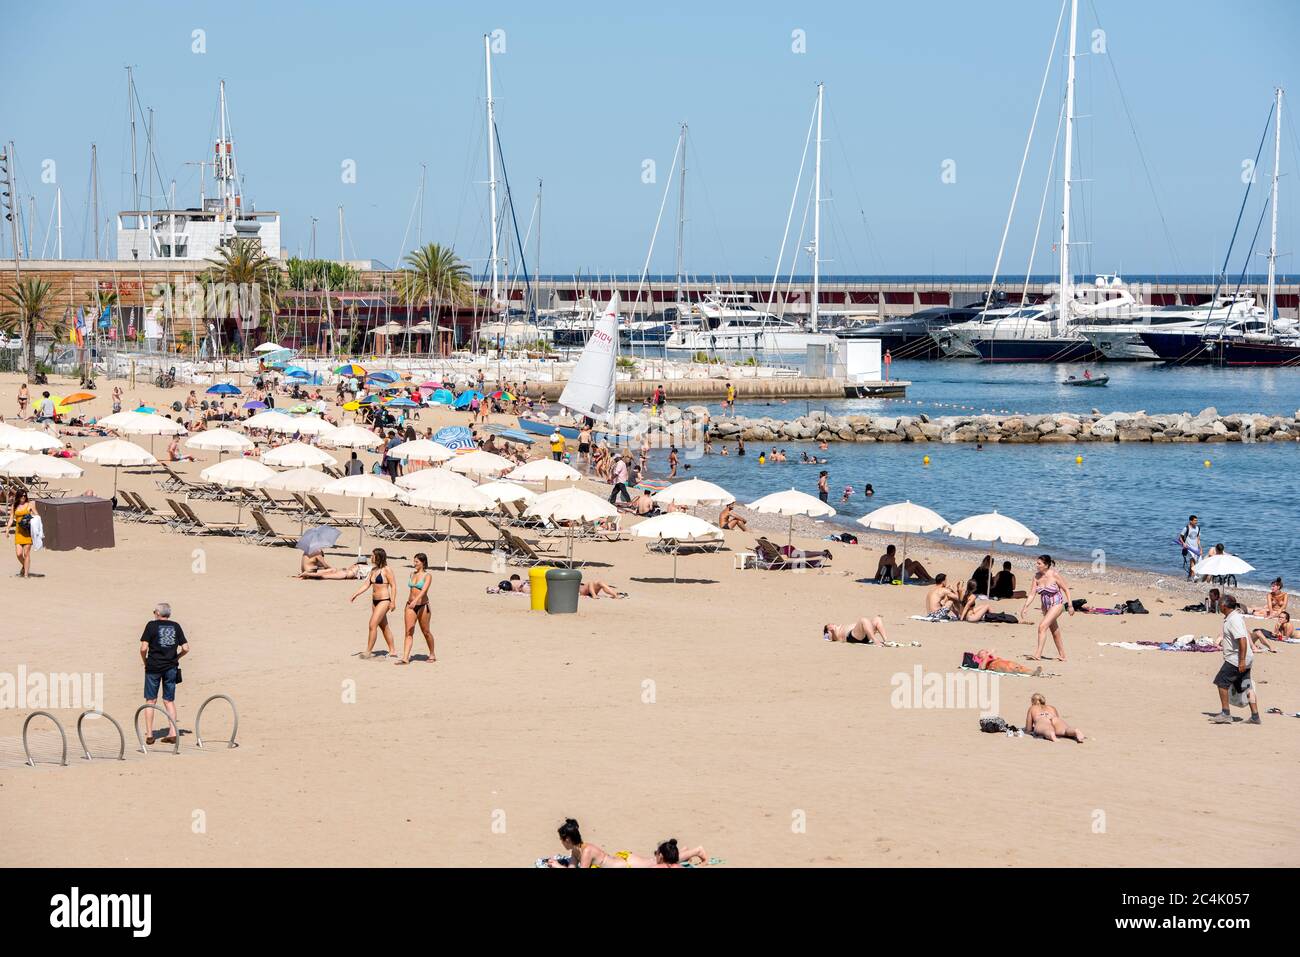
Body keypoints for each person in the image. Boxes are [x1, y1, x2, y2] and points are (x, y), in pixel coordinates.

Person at [139, 602, 190, 746]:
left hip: (153, 667)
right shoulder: (176, 626)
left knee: (150, 700)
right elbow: (186, 648)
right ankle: (173, 732)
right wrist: (177, 657)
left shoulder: (151, 625)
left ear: (157, 613)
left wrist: (145, 661)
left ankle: (150, 735)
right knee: (169, 700)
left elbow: (143, 648)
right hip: (170, 668)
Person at [1211, 594, 1261, 724]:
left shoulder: (1234, 619)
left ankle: (1225, 713)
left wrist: (1242, 661)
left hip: (1236, 658)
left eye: (1220, 604)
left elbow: (1242, 640)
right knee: (1246, 686)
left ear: (1224, 606)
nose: (1218, 606)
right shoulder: (1232, 617)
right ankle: (1255, 716)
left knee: (1221, 682)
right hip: (1243, 657)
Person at [1020, 554, 1073, 661]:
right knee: (1054, 631)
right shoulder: (1036, 577)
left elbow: (1066, 589)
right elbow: (1032, 594)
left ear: (1046, 565)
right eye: (1037, 563)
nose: (1037, 565)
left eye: (1039, 563)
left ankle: (1037, 654)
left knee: (1042, 627)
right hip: (1045, 607)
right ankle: (1062, 655)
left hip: (1057, 604)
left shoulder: (1054, 575)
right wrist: (1025, 607)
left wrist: (1070, 605)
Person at [349, 547, 397, 658]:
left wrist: (393, 601)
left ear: (378, 557)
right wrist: (355, 594)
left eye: (372, 555)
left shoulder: (387, 570)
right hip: (374, 601)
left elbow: (393, 586)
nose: (371, 557)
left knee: (372, 624)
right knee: (383, 626)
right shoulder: (373, 570)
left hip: (384, 600)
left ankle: (368, 651)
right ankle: (393, 650)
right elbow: (366, 585)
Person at [398, 553, 435, 665]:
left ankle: (432, 653)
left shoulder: (427, 576)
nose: (414, 564)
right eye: (414, 561)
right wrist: (412, 601)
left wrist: (416, 600)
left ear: (423, 563)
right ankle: (405, 657)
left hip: (423, 605)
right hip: (410, 605)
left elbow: (424, 590)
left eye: (416, 562)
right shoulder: (411, 574)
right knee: (409, 631)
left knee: (426, 631)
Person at [5, 489, 35, 577]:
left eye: (25, 496)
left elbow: (37, 516)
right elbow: (11, 518)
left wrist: (31, 518)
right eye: (22, 496)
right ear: (18, 496)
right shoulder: (15, 506)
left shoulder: (30, 505)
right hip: (18, 533)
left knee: (26, 553)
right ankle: (24, 565)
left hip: (28, 532)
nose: (24, 497)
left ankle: (26, 574)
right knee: (18, 554)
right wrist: (7, 529)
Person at [970, 648, 1041, 676]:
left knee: (1019, 667)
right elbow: (982, 668)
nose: (985, 653)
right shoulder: (982, 661)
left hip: (1002, 661)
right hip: (995, 665)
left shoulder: (991, 657)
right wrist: (986, 656)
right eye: (982, 653)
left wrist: (992, 653)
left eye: (986, 651)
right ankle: (1015, 672)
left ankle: (1034, 672)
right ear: (979, 656)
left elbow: (995, 658)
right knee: (1009, 668)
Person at [824, 616, 890, 644]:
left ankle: (886, 640)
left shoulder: (839, 626)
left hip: (863, 634)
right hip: (852, 637)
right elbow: (834, 639)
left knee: (877, 619)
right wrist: (831, 631)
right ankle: (875, 640)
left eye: (830, 624)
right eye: (829, 625)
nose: (830, 625)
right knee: (863, 620)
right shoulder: (832, 633)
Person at [1179, 514, 1202, 580]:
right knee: (1192, 561)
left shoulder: (1198, 528)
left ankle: (1190, 576)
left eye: (1197, 520)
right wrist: (1183, 543)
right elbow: (1180, 537)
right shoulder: (1186, 528)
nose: (1196, 522)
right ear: (1190, 521)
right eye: (1195, 520)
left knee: (1197, 561)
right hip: (1188, 547)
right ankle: (1194, 576)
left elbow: (1198, 538)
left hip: (1196, 548)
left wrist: (1200, 548)